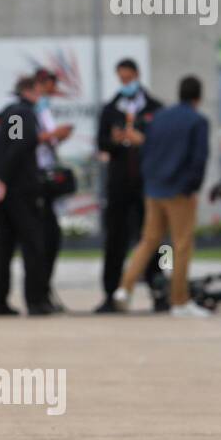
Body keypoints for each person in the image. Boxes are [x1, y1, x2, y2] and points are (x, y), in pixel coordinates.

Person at [113, 75, 210, 318]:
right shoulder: (197, 121)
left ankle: (124, 288)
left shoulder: (159, 117)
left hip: (154, 189)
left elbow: (146, 151)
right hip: (179, 190)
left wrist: (150, 181)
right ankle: (179, 300)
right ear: (199, 96)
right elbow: (198, 158)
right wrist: (192, 187)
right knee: (181, 245)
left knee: (148, 241)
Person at [94, 58, 164, 313]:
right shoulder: (111, 109)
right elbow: (101, 142)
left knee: (158, 241)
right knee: (115, 240)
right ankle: (111, 293)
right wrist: (116, 140)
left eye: (128, 78)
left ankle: (162, 289)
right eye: (121, 79)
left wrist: (141, 140)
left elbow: (162, 143)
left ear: (136, 75)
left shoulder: (155, 108)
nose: (125, 83)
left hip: (148, 184)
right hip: (119, 185)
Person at [0, 76, 51, 315]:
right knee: (32, 245)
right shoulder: (21, 113)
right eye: (39, 91)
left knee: (3, 246)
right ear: (30, 90)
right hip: (19, 190)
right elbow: (19, 144)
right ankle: (36, 301)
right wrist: (2, 178)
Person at [33, 68, 73, 311]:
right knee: (40, 240)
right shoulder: (22, 111)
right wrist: (51, 135)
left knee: (51, 238)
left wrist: (57, 137)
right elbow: (20, 140)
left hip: (46, 180)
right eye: (49, 86)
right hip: (33, 181)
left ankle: (43, 291)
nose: (53, 91)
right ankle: (37, 296)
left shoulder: (43, 109)